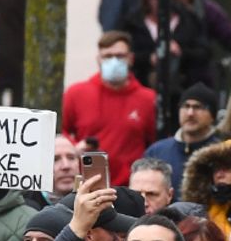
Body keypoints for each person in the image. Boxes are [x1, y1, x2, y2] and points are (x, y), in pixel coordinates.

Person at [61, 31, 161, 171]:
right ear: (99, 59)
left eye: (120, 56)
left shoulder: (148, 99)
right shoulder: (76, 94)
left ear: (131, 59)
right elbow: (62, 133)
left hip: (130, 186)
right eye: (108, 56)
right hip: (88, 181)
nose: (114, 61)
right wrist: (73, 149)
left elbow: (155, 144)